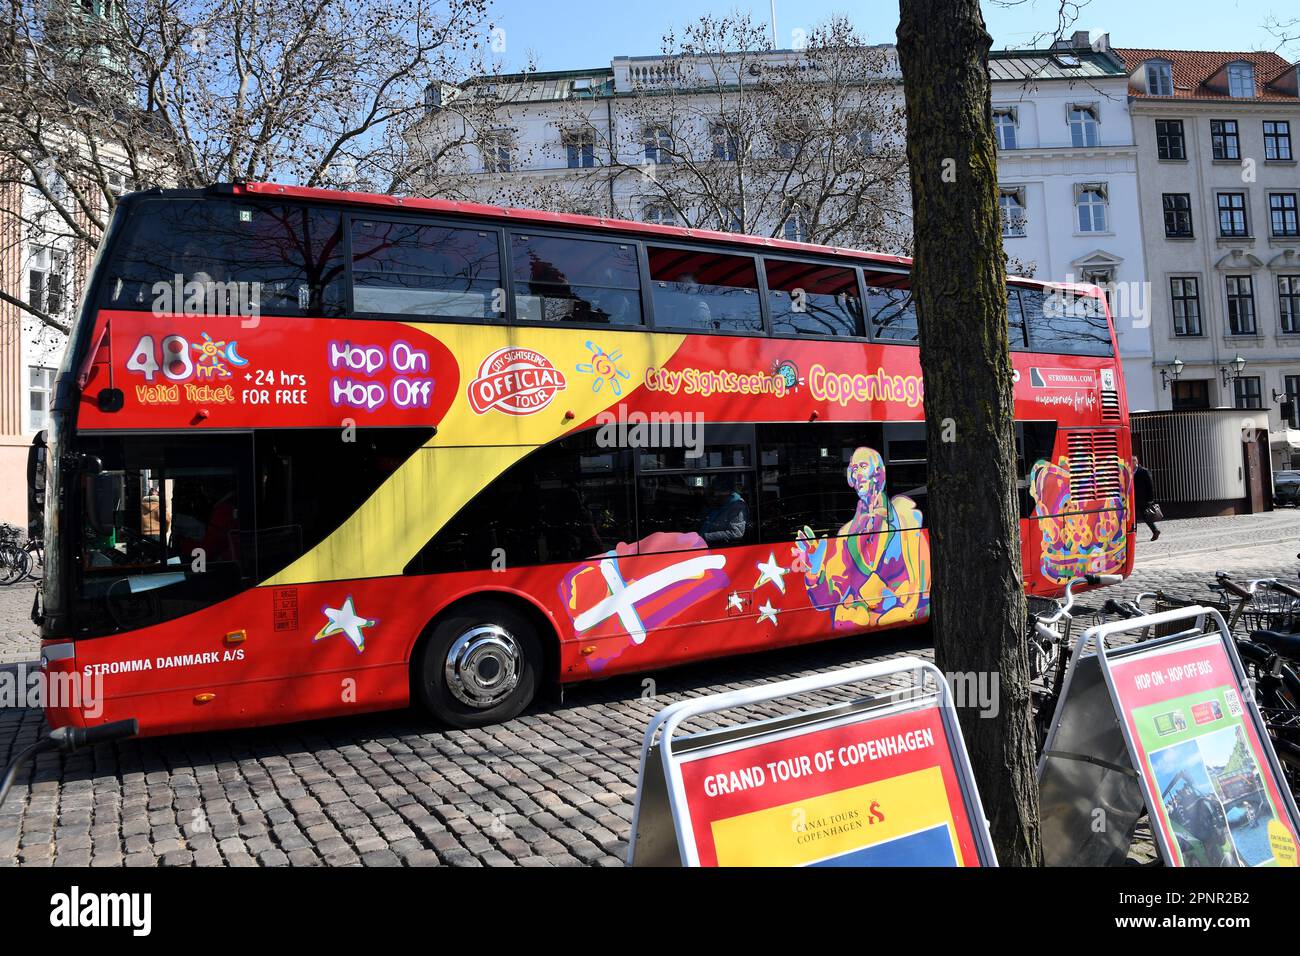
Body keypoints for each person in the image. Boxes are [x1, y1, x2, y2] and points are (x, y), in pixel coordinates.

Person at [1133, 455, 1160, 541]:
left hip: (1143, 499)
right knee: (1134, 518)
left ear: (1135, 462)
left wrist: (1150, 499)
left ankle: (1155, 531)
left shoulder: (1144, 471)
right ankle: (1134, 536)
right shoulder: (1130, 471)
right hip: (1133, 499)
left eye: (1132, 461)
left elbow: (1150, 486)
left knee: (1145, 516)